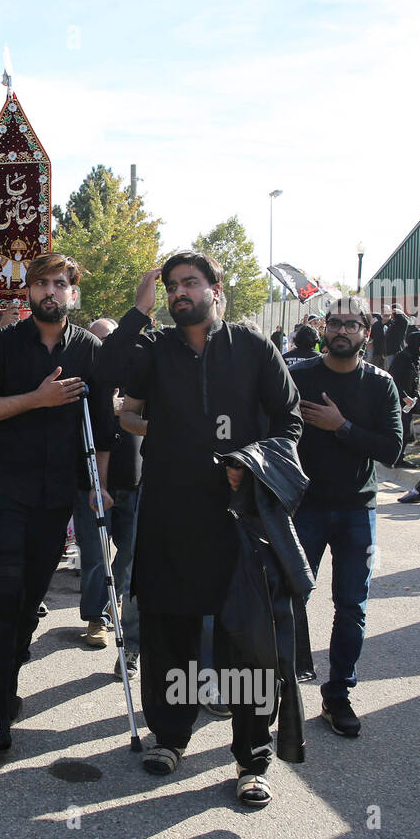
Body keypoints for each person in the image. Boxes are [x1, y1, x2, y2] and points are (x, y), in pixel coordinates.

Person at [99, 251, 304, 806]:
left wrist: (251, 460)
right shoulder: (156, 348)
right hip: (169, 513)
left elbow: (290, 421)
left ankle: (250, 759)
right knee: (170, 631)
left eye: (190, 283)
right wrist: (138, 312)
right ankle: (170, 737)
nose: (179, 293)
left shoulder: (254, 348)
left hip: (238, 518)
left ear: (216, 289)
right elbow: (111, 381)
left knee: (246, 639)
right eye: (170, 287)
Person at [0, 252, 114, 757]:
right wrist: (35, 399)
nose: (51, 291)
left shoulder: (90, 349)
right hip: (3, 492)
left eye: (61, 284)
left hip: (56, 499)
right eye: (42, 283)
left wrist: (99, 485)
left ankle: (10, 668)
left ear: (73, 293)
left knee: (28, 601)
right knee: (3, 592)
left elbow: (105, 430)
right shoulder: (0, 344)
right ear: (28, 291)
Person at [289, 297, 402, 738]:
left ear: (366, 333)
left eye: (351, 324)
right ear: (323, 328)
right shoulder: (297, 378)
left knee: (351, 606)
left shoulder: (380, 384)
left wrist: (341, 427)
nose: (341, 330)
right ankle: (280, 686)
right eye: (334, 322)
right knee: (287, 599)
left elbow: (392, 449)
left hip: (358, 508)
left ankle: (338, 695)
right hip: (304, 507)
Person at [83, 317, 143, 677]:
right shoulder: (87, 384)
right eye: (99, 341)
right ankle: (97, 617)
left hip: (133, 480)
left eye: (112, 339)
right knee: (94, 555)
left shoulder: (138, 379)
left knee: (131, 554)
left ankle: (115, 600)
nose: (107, 347)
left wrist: (128, 415)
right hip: (92, 484)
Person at [389, 330, 420, 468]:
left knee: (407, 431)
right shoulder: (402, 357)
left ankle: (399, 458)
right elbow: (392, 379)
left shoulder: (415, 358)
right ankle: (394, 458)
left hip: (409, 402)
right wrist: (404, 396)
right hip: (399, 400)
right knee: (401, 430)